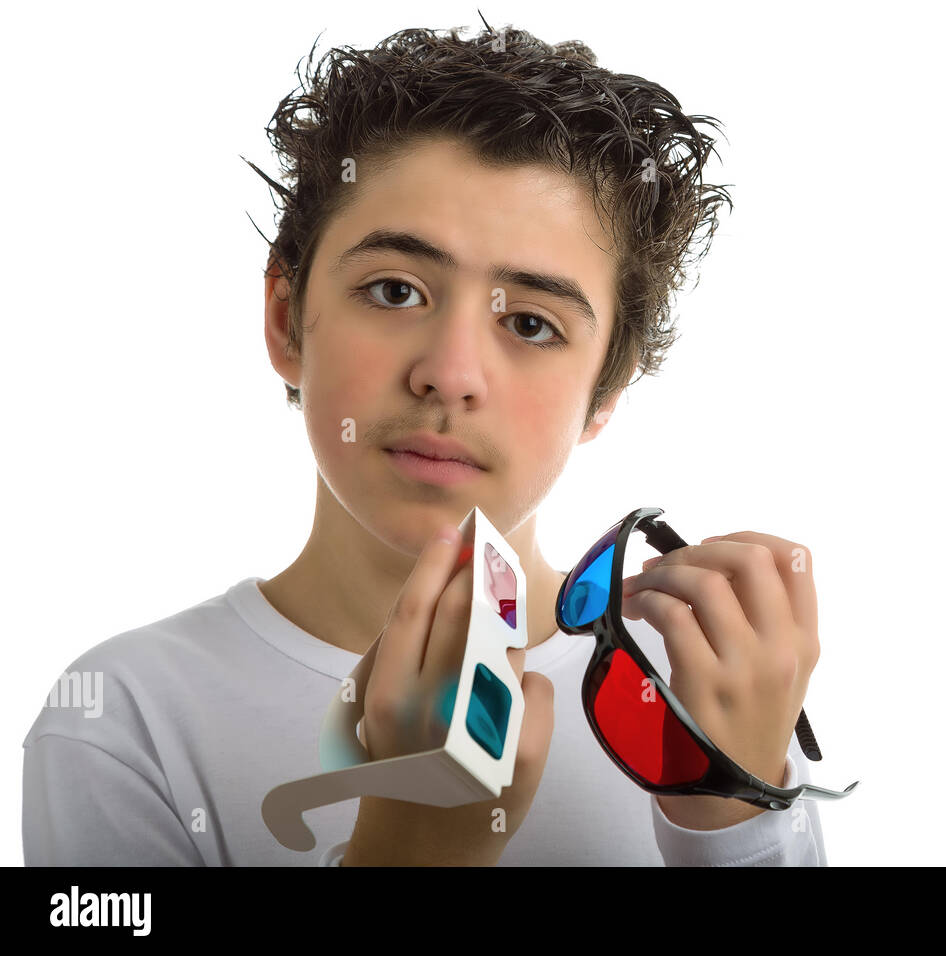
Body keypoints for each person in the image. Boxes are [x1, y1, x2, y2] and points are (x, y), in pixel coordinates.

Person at [22, 21, 830, 866]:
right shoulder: (123, 718)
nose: (451, 374)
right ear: (285, 319)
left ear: (607, 390)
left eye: (530, 323)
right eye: (396, 290)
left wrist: (741, 819)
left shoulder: (703, 689)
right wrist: (409, 847)